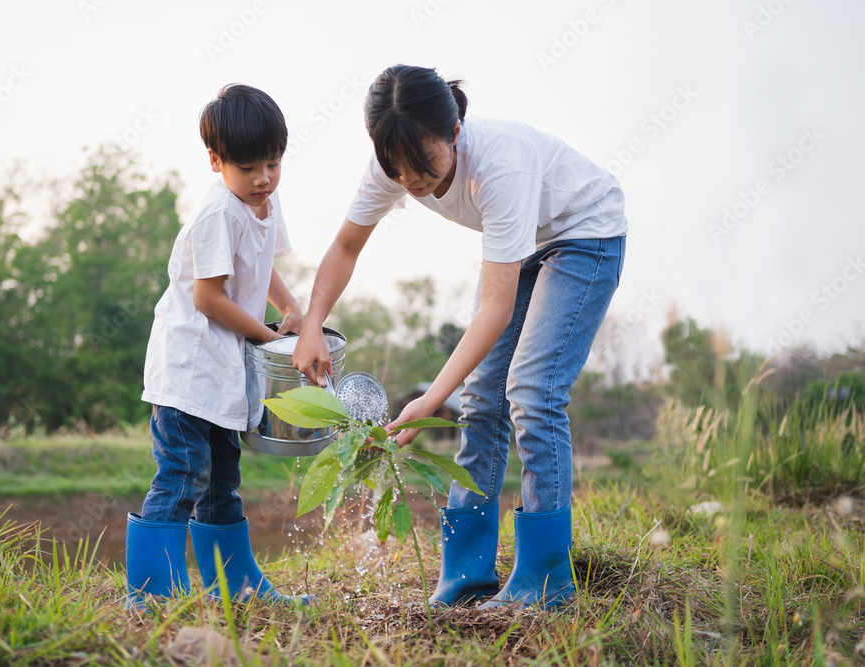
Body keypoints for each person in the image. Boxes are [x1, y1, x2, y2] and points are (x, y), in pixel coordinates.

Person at [292, 65, 626, 609]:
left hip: (584, 233)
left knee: (532, 393)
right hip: (522, 244)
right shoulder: (393, 160)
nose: (411, 180)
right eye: (395, 168)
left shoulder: (499, 165)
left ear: (455, 130)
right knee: (481, 399)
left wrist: (430, 399)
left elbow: (494, 309)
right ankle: (466, 575)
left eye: (423, 164)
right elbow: (346, 248)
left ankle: (547, 581)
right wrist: (311, 325)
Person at [126, 84, 306, 610]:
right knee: (184, 474)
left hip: (223, 369)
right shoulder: (216, 214)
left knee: (222, 480)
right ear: (215, 161)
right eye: (249, 167)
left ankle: (236, 585)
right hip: (187, 368)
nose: (263, 178)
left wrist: (290, 307)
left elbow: (263, 260)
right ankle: (152, 593)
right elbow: (208, 297)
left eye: (273, 163)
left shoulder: (264, 203)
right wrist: (269, 337)